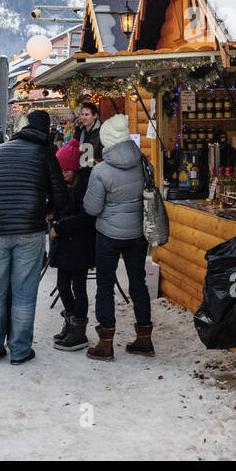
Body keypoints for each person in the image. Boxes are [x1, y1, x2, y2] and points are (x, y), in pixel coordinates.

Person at [0, 109, 66, 364]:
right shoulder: (45, 153)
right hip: (29, 230)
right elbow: (60, 196)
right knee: (24, 292)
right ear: (45, 131)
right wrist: (45, 211)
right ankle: (20, 350)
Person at [84, 113, 153, 360]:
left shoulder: (101, 171)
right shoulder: (143, 163)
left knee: (104, 285)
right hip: (137, 233)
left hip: (108, 234)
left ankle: (105, 342)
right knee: (138, 283)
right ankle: (144, 338)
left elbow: (91, 208)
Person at [50, 138, 96, 351]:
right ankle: (70, 321)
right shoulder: (62, 187)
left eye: (67, 169)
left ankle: (79, 329)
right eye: (61, 169)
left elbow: (85, 217)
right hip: (65, 246)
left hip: (80, 245)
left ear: (76, 168)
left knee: (78, 287)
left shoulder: (85, 189)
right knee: (62, 286)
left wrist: (60, 226)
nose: (64, 173)